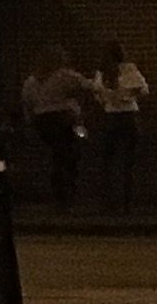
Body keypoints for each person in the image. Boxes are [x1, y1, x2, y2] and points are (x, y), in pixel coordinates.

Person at [23, 44, 93, 210]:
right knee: (69, 155)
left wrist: (30, 123)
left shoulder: (31, 82)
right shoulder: (64, 76)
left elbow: (27, 103)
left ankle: (60, 195)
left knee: (57, 156)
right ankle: (67, 195)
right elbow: (89, 86)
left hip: (42, 122)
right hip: (63, 120)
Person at [91, 43, 149, 211]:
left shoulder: (106, 72)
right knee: (122, 160)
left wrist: (109, 98)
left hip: (115, 115)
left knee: (113, 159)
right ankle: (121, 201)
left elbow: (96, 91)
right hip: (125, 114)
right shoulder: (125, 70)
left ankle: (116, 201)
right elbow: (143, 90)